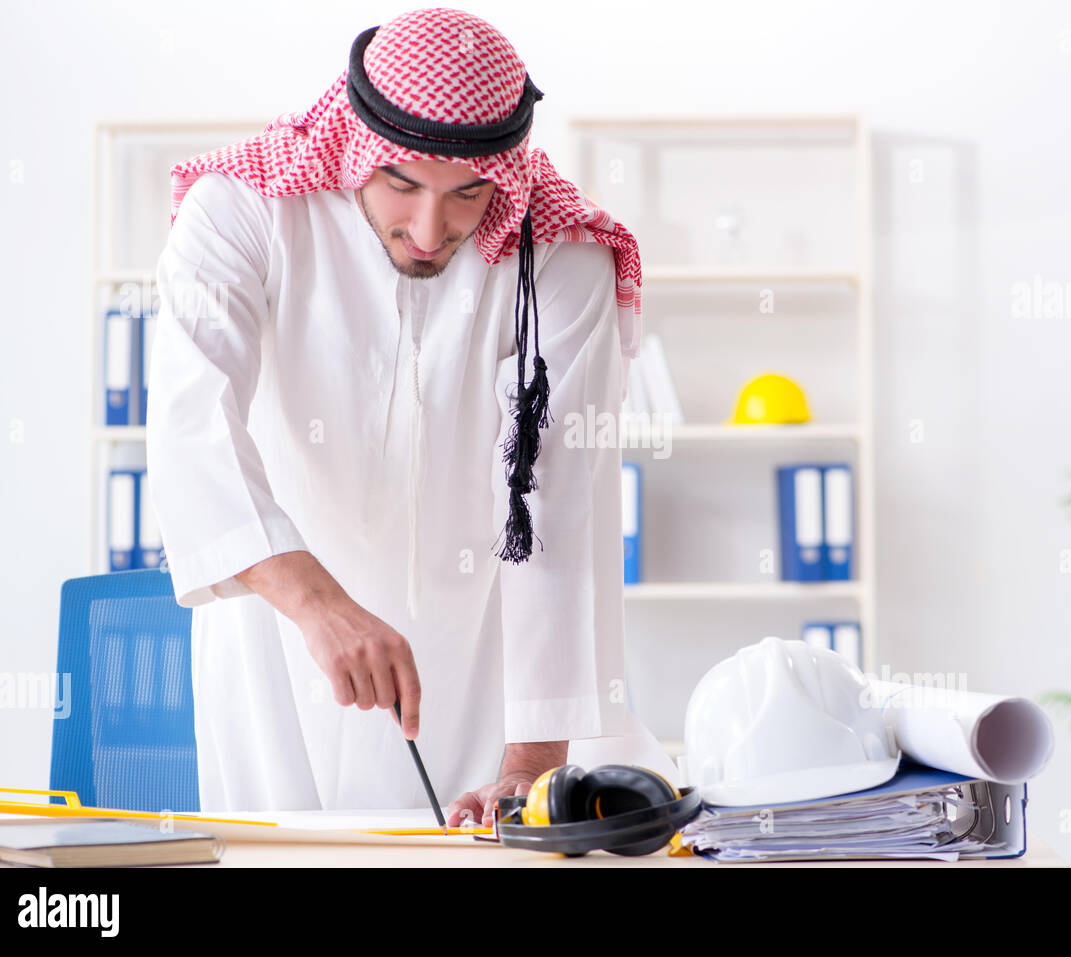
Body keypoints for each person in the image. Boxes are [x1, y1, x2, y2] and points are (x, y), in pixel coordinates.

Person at [145, 7, 674, 828]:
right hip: (282, 646)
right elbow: (191, 426)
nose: (431, 231)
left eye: (469, 194)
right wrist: (321, 603)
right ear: (357, 147)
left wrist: (530, 764)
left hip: (485, 668)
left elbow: (562, 508)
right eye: (401, 184)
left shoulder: (563, 257)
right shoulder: (242, 212)